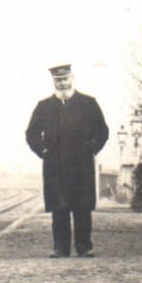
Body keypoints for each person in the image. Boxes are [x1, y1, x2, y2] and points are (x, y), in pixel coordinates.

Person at [25, 64, 110, 257]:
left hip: (81, 164)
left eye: (64, 79)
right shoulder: (44, 106)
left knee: (82, 208)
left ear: (72, 78)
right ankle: (60, 248)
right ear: (53, 82)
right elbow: (31, 134)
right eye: (58, 80)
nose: (62, 83)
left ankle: (84, 247)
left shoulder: (88, 103)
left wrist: (92, 148)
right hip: (55, 166)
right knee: (59, 208)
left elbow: (103, 131)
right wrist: (43, 151)